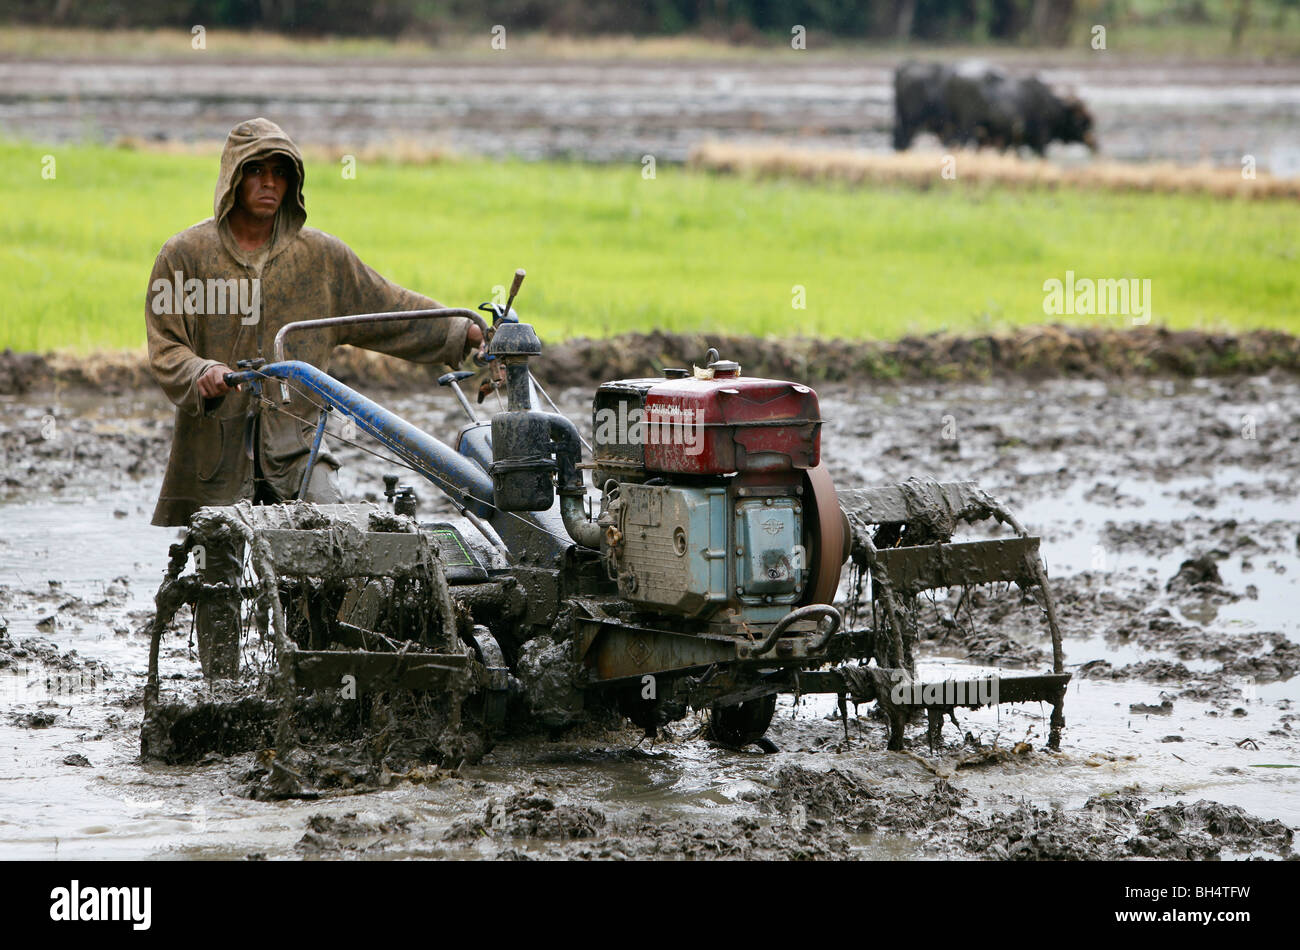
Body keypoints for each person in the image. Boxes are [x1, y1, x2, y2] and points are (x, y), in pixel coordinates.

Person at [145, 117, 482, 676]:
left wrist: (458, 332)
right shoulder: (184, 256)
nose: (269, 182)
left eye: (280, 172)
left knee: (335, 542)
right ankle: (223, 686)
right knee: (216, 566)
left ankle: (316, 670)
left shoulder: (321, 258)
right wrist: (201, 370)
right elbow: (165, 347)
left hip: (297, 444)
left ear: (294, 183)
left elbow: (388, 311)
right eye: (256, 171)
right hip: (214, 449)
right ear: (233, 178)